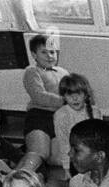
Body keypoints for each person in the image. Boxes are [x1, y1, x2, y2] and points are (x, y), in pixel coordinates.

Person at [21, 34, 69, 167]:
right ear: (34, 54)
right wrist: (65, 101)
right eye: (44, 52)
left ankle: (41, 181)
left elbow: (73, 92)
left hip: (59, 119)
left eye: (52, 52)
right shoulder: (32, 71)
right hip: (39, 116)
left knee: (60, 160)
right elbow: (39, 95)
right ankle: (15, 179)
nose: (49, 56)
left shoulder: (63, 72)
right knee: (40, 153)